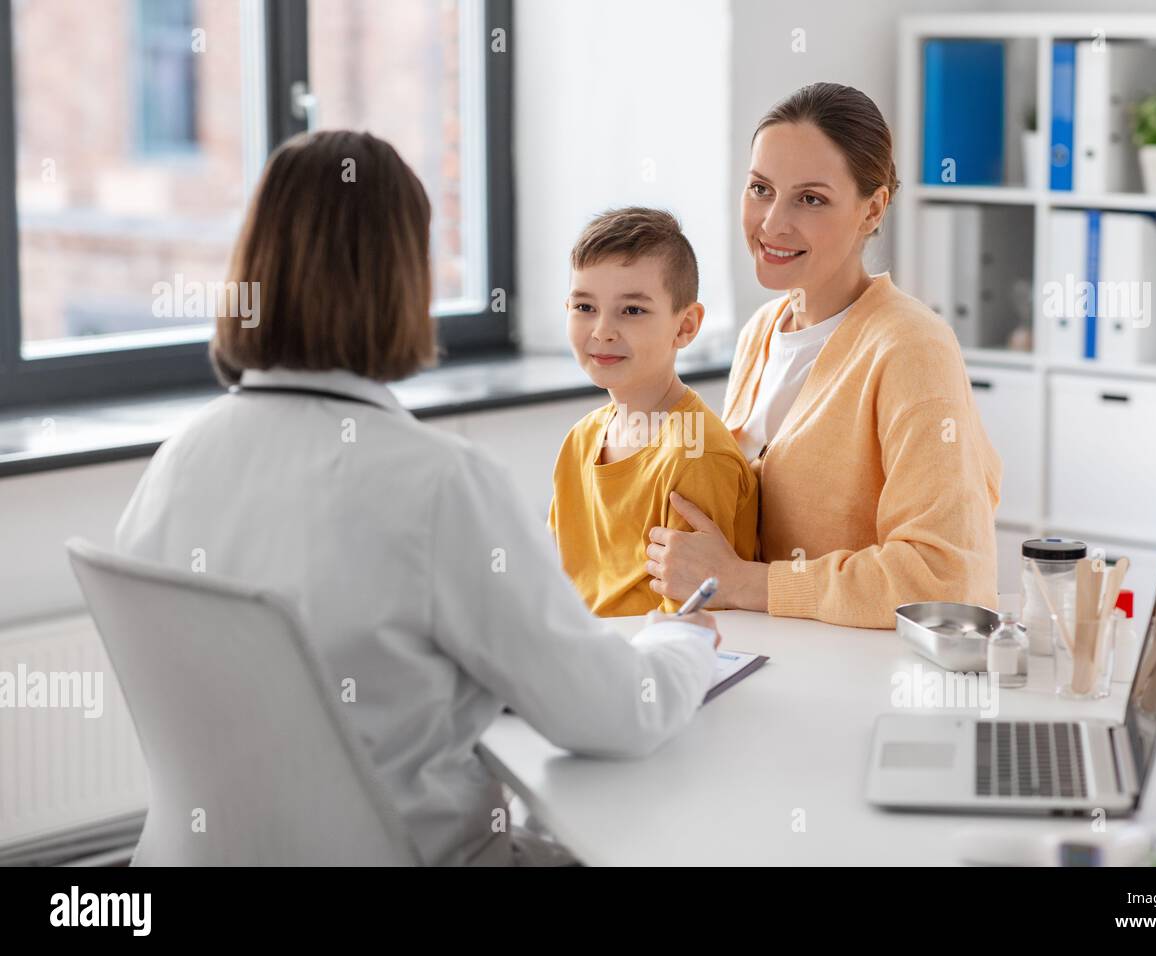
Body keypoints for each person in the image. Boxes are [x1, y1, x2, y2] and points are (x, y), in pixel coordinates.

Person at [114, 130, 721, 866]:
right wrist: (684, 641)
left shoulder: (177, 463)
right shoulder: (439, 484)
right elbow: (622, 716)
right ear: (405, 279)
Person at [646, 82, 1002, 629]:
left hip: (859, 680)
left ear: (872, 209)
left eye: (810, 199)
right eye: (761, 189)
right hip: (772, 660)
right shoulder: (762, 332)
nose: (772, 223)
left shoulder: (911, 348)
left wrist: (742, 581)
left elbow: (945, 578)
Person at [549, 207, 758, 615]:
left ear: (686, 326)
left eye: (632, 310)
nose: (602, 330)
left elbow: (691, 617)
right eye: (584, 307)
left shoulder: (697, 457)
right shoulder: (580, 440)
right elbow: (551, 584)